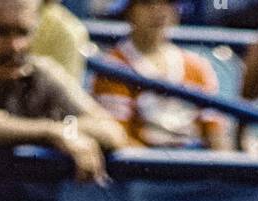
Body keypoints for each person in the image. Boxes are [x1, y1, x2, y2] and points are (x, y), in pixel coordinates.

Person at [0, 0, 125, 181]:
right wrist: (51, 132)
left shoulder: (40, 71)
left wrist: (62, 131)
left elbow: (110, 130)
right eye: (0, 32)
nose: (14, 46)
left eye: (23, 33)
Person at [92, 0, 230, 149]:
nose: (158, 11)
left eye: (168, 3)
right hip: (140, 168)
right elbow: (119, 139)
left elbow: (216, 135)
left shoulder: (198, 66)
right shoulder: (113, 66)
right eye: (147, 3)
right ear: (128, 11)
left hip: (196, 164)